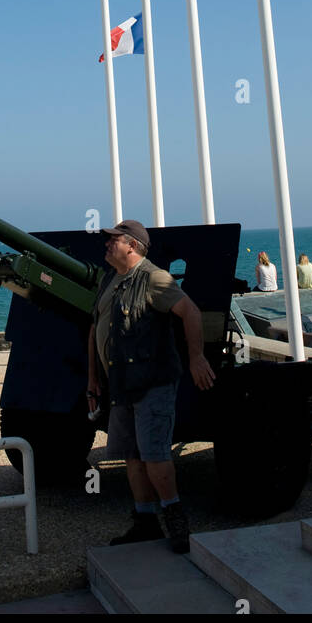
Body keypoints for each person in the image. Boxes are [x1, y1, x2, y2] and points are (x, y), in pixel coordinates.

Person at [87, 219, 215, 554]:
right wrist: (92, 379)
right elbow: (95, 327)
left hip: (152, 382)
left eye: (113, 239)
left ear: (131, 245)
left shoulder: (154, 277)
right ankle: (145, 522)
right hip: (121, 385)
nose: (107, 244)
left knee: (155, 455)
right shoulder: (109, 280)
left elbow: (190, 311)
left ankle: (175, 518)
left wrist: (197, 358)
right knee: (132, 456)